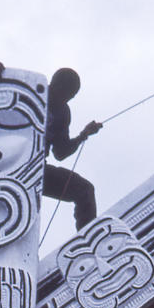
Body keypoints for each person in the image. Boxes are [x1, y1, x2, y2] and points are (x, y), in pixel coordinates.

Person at [43, 67, 102, 230]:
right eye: (64, 94)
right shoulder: (32, 91)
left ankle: (88, 241)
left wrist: (84, 135)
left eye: (70, 97)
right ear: (53, 85)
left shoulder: (62, 112)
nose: (65, 100)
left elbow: (60, 152)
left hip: (36, 170)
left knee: (85, 190)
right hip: (7, 161)